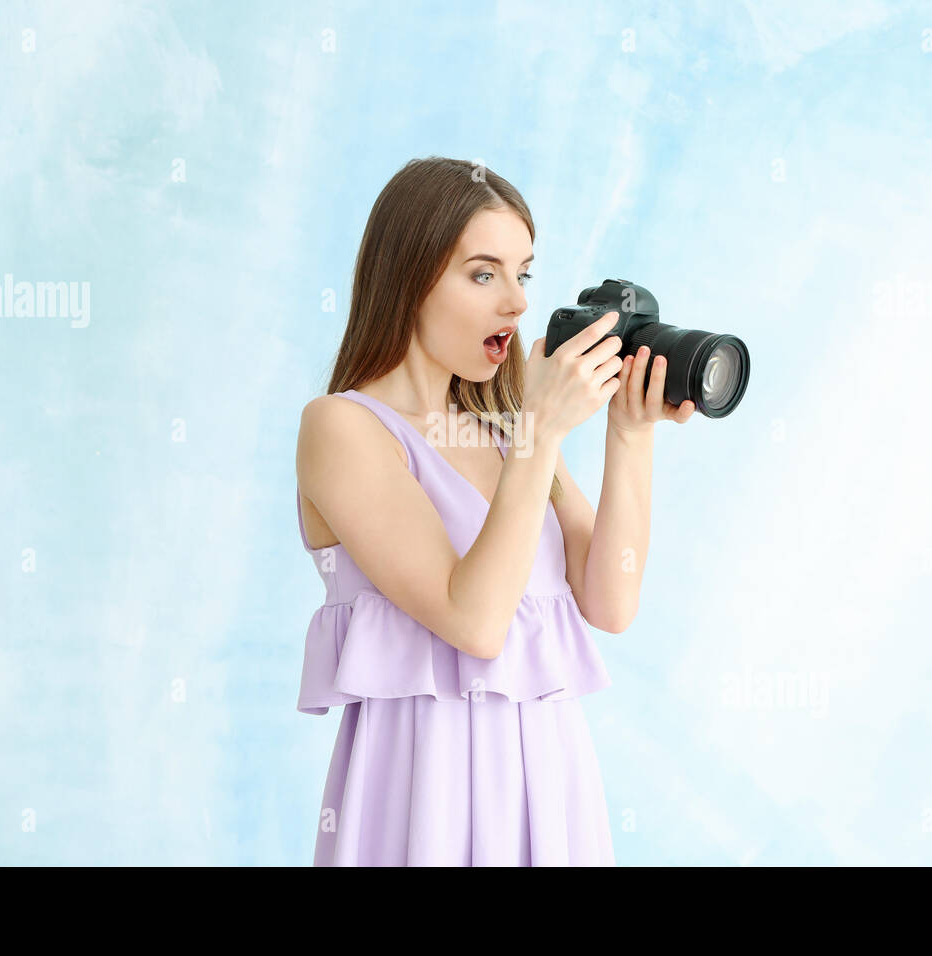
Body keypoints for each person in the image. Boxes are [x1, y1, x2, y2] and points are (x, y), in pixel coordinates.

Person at [294, 156, 696, 866]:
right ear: (411, 281)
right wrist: (541, 432)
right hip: (423, 803)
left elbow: (610, 601)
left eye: (523, 275)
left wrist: (629, 435)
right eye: (483, 274)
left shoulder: (512, 432)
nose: (515, 303)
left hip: (549, 791)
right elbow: (474, 622)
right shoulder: (342, 429)